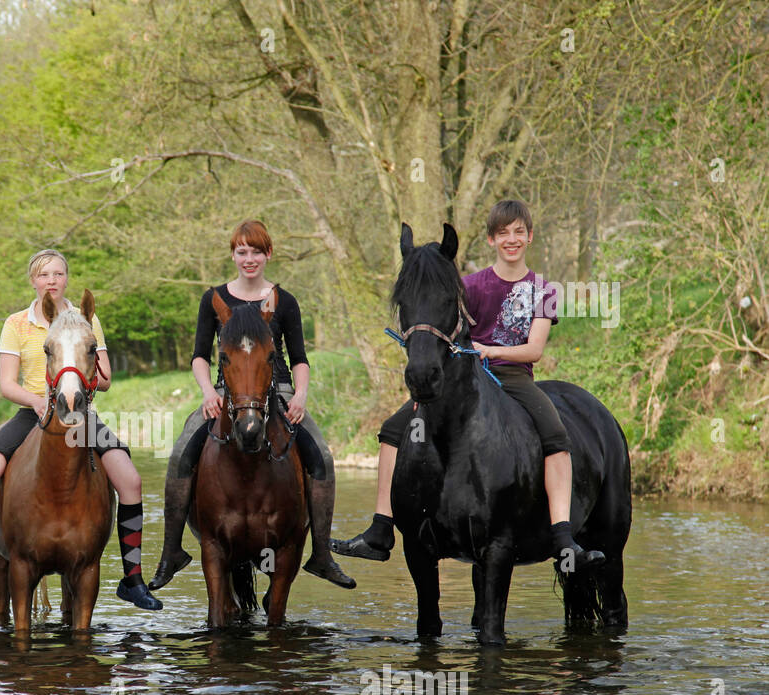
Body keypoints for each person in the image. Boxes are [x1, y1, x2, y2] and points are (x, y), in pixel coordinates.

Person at [333, 199, 605, 569]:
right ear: (492, 240)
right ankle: (381, 528)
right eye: (503, 233)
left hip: (512, 377)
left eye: (518, 232)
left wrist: (487, 349)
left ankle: (561, 535)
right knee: (393, 429)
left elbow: (535, 350)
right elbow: (447, 326)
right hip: (466, 378)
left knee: (555, 435)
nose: (512, 239)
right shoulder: (469, 285)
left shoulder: (543, 289)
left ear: (529, 237)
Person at [0, 248, 163, 610]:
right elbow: (7, 384)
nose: (51, 281)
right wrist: (38, 400)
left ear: (66, 278)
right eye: (43, 275)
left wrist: (86, 378)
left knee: (130, 480)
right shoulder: (17, 324)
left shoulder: (86, 318)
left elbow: (106, 380)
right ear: (33, 281)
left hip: (80, 415)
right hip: (33, 412)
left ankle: (132, 578)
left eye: (57, 274)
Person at [149, 220, 356, 591]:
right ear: (233, 255)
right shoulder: (214, 299)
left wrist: (301, 395)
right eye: (242, 252)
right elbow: (199, 355)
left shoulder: (284, 301)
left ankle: (322, 555)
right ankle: (171, 552)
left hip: (277, 392)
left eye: (256, 251)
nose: (249, 259)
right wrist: (207, 393)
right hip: (224, 395)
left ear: (268, 254)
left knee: (321, 456)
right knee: (181, 451)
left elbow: (300, 357)